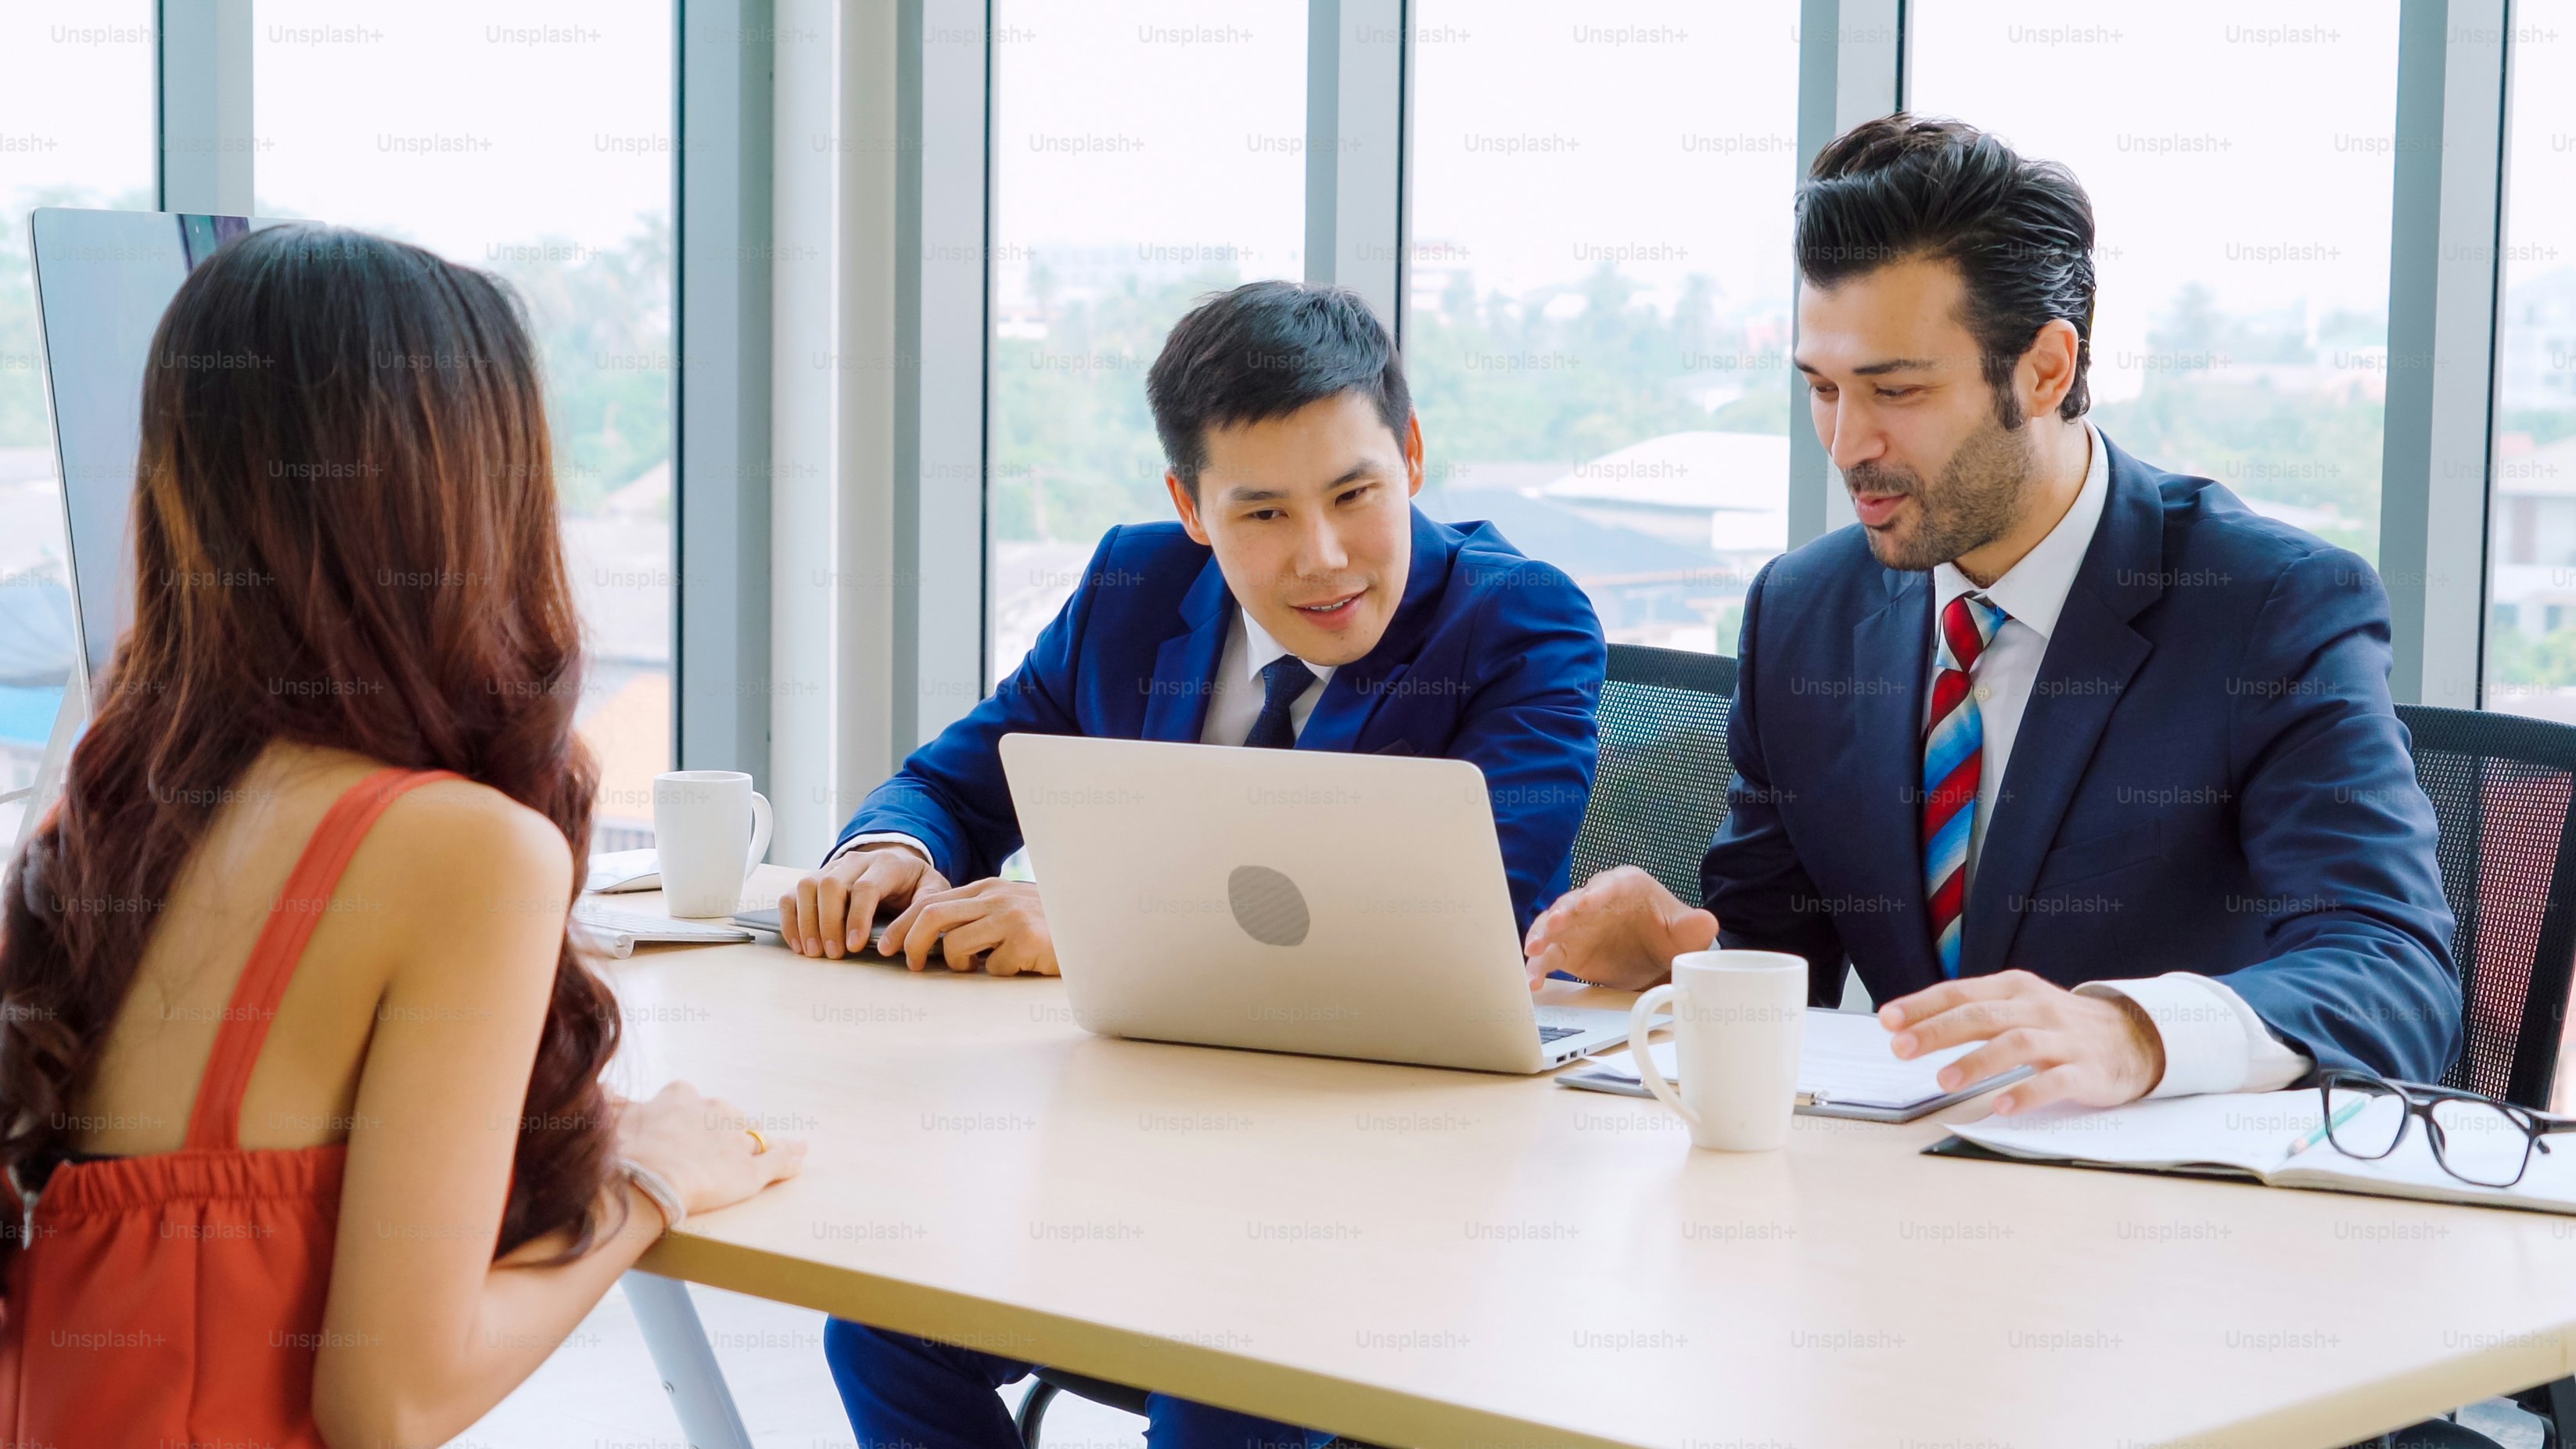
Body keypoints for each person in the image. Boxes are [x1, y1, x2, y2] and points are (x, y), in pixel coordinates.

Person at [0, 225, 803, 1447]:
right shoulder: (462, 853)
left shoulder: (117, 817)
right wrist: (654, 1183)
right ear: (472, 497)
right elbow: (393, 1400)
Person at [1525, 114, 2462, 1115]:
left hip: (2168, 1226)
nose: (1845, 444)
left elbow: (2393, 969)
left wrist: (2133, 1031)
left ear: (2045, 370)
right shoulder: (1804, 613)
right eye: (1821, 389)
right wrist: (1679, 952)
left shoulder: (2267, 607)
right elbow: (1774, 950)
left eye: (1895, 390)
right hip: (1893, 1200)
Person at [804, 281, 1605, 1448]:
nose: (1323, 557)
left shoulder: (1518, 622)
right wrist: (892, 846)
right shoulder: (1135, 588)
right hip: (1136, 1166)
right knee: (878, 1324)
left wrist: (1095, 920)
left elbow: (1465, 917)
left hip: (1382, 1198)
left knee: (1226, 1385)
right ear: (1189, 506)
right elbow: (957, 779)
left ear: (1414, 456)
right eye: (1263, 514)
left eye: (1353, 494)